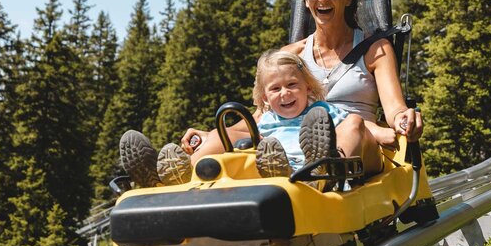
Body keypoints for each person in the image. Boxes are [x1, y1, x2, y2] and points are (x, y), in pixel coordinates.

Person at [179, 0, 423, 165]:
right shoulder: (291, 55)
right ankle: (182, 182)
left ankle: (326, 171)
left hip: (362, 145)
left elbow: (395, 109)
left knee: (352, 127)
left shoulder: (375, 49)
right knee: (219, 141)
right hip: (294, 142)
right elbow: (262, 117)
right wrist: (216, 134)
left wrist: (405, 120)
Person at [119, 49, 378, 187]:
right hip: (273, 168)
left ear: (308, 88)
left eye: (292, 85)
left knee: (352, 122)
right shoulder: (265, 120)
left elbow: (360, 128)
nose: (285, 93)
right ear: (264, 97)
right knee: (230, 135)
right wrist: (208, 136)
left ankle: (326, 169)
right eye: (275, 89)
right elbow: (235, 134)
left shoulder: (320, 111)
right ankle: (171, 179)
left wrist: (396, 132)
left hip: (317, 171)